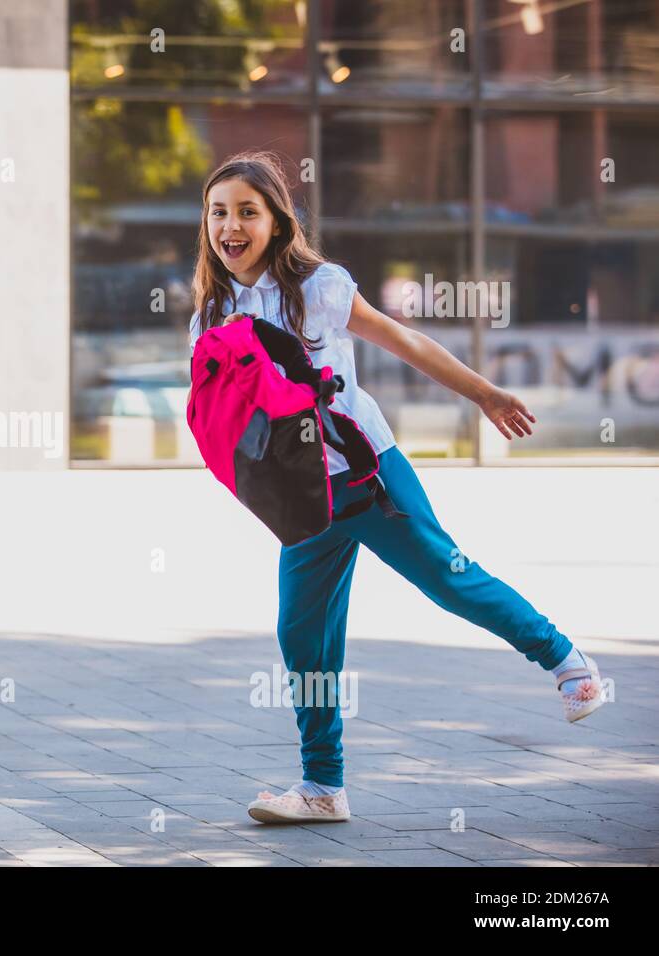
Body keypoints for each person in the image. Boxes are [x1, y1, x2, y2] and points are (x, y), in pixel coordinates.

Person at [187, 152, 609, 825]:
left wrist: (485, 393)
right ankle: (323, 788)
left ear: (275, 222)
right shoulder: (212, 312)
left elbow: (403, 339)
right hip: (305, 501)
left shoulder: (320, 287)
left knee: (448, 576)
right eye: (218, 212)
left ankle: (564, 659)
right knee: (302, 637)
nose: (230, 226)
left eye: (246, 211)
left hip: (369, 477)